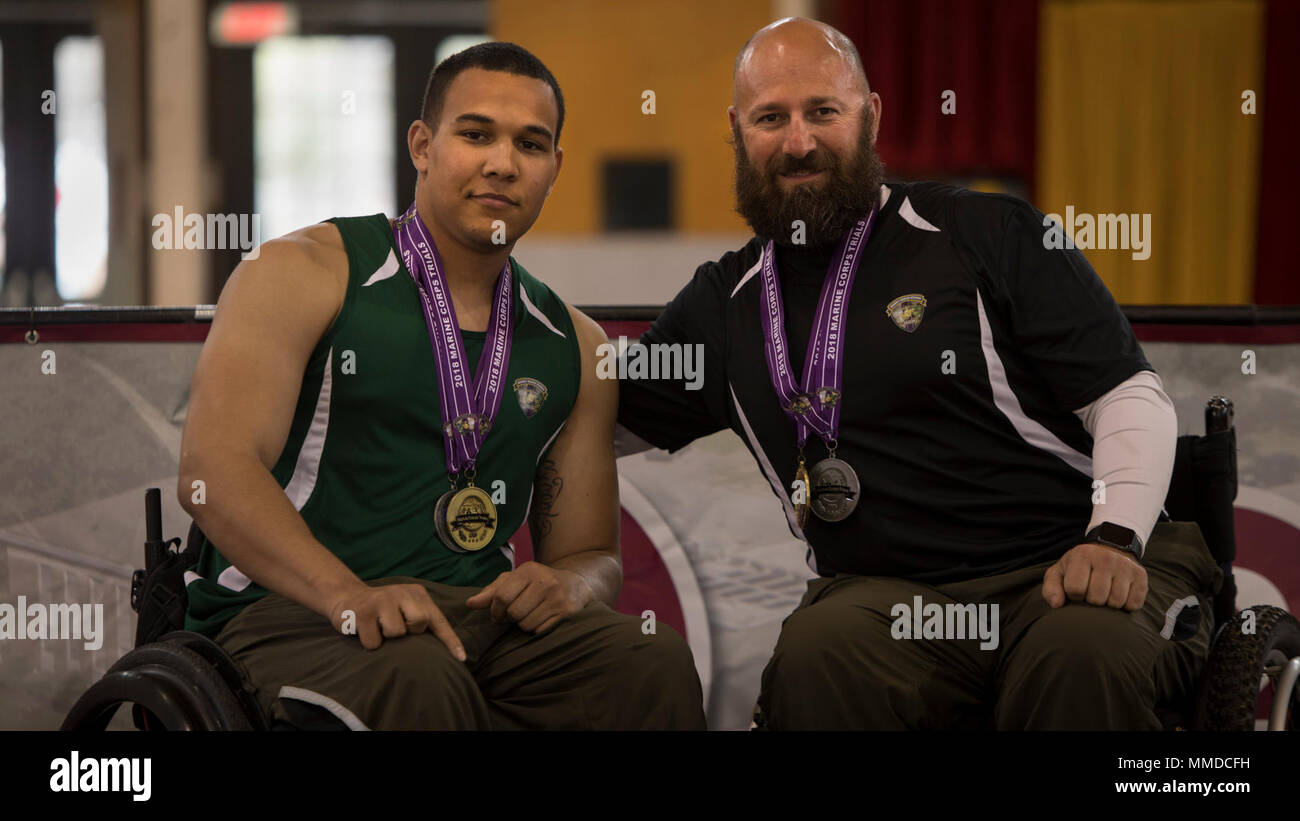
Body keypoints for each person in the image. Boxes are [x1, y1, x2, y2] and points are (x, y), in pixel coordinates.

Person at [616, 18, 1221, 730]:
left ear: (871, 114)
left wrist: (1114, 537)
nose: (799, 141)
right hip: (893, 605)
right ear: (737, 130)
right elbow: (597, 422)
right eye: (771, 117)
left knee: (1080, 653)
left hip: (1067, 566)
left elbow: (1127, 396)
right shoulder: (723, 307)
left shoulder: (987, 233)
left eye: (823, 112)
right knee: (818, 651)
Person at [178, 42, 705, 730]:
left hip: (471, 620)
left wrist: (569, 583)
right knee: (419, 676)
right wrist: (349, 595)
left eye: (531, 143)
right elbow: (211, 471)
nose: (502, 162)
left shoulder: (574, 343)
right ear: (422, 145)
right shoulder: (300, 271)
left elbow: (590, 552)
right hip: (287, 613)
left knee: (650, 663)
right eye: (476, 134)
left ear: (554, 169)